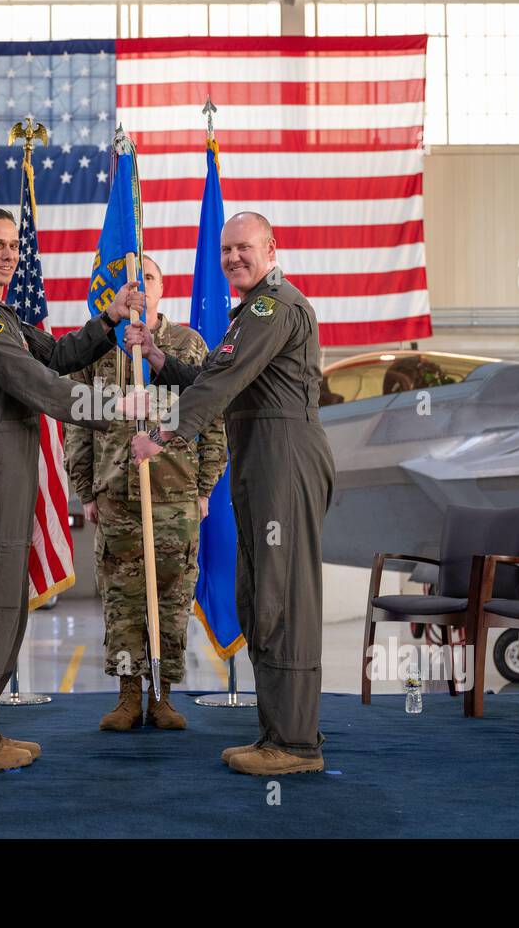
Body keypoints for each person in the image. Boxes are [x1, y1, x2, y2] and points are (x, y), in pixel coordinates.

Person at [0, 206, 144, 771]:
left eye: (12, 246)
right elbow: (39, 383)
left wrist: (110, 319)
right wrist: (116, 407)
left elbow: (56, 355)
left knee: (5, 596)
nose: (6, 254)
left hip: (13, 454)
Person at [127, 211, 334, 776]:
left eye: (244, 247)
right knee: (259, 596)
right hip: (261, 458)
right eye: (226, 251)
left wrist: (165, 434)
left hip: (283, 458)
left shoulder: (273, 307)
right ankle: (278, 734)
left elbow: (223, 380)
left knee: (283, 598)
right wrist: (160, 361)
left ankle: (295, 745)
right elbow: (218, 374)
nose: (232, 258)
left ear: (272, 247)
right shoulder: (251, 314)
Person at [64, 254, 227, 732]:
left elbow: (212, 417)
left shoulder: (189, 345)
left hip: (176, 494)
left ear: (163, 287)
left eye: (148, 278)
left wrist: (205, 487)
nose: (140, 287)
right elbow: (78, 425)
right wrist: (85, 489)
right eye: (131, 281)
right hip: (116, 493)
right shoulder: (96, 348)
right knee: (122, 599)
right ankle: (127, 696)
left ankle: (163, 695)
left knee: (173, 600)